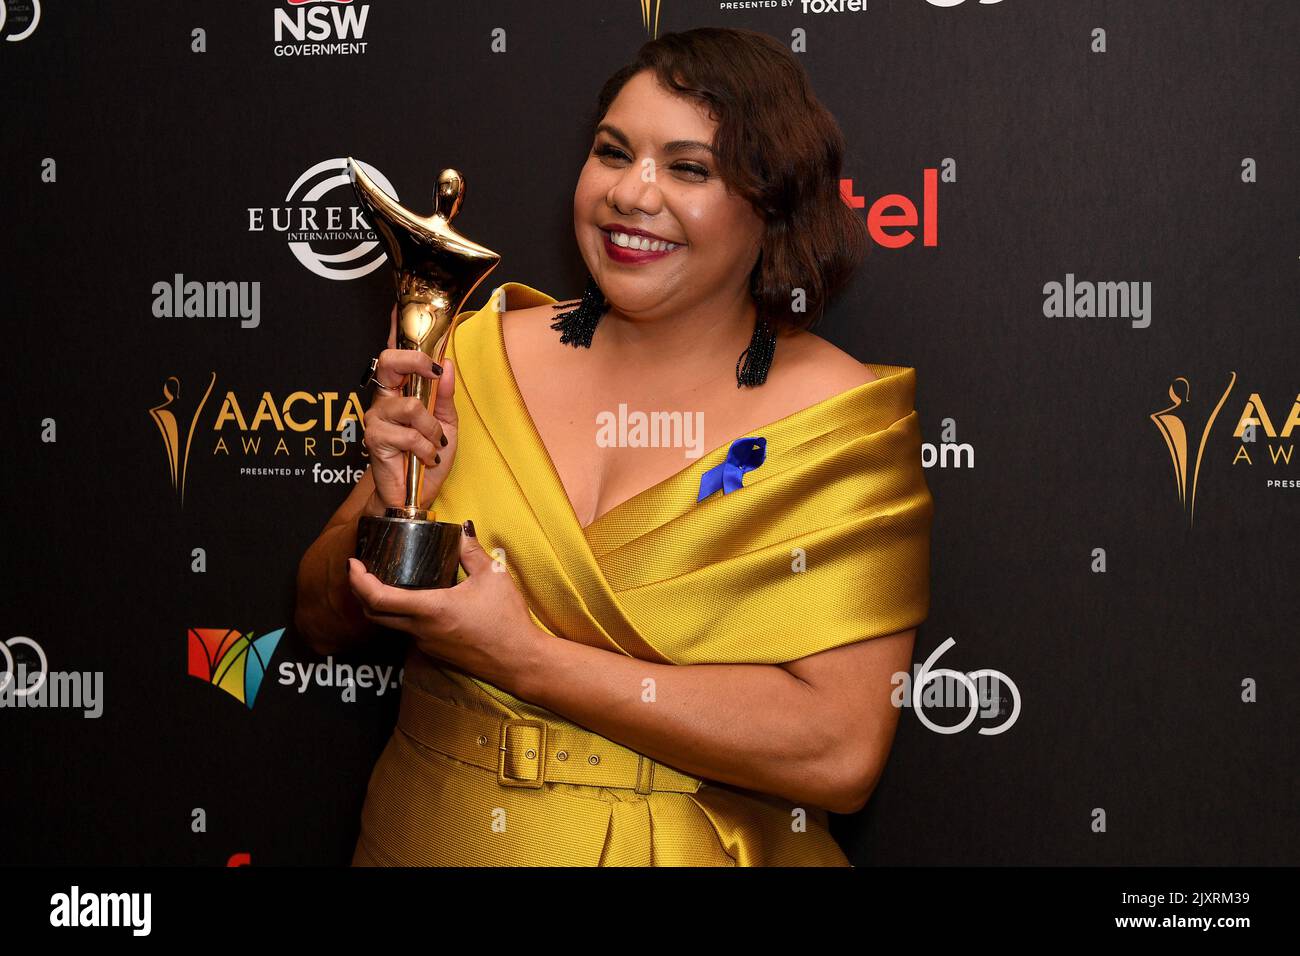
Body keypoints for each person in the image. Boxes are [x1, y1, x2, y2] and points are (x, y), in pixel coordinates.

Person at [294, 26, 933, 866]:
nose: (632, 193)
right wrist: (389, 508)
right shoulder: (471, 354)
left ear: (772, 205)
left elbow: (839, 753)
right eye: (613, 152)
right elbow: (319, 618)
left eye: (689, 167)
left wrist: (524, 658)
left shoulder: (843, 422)